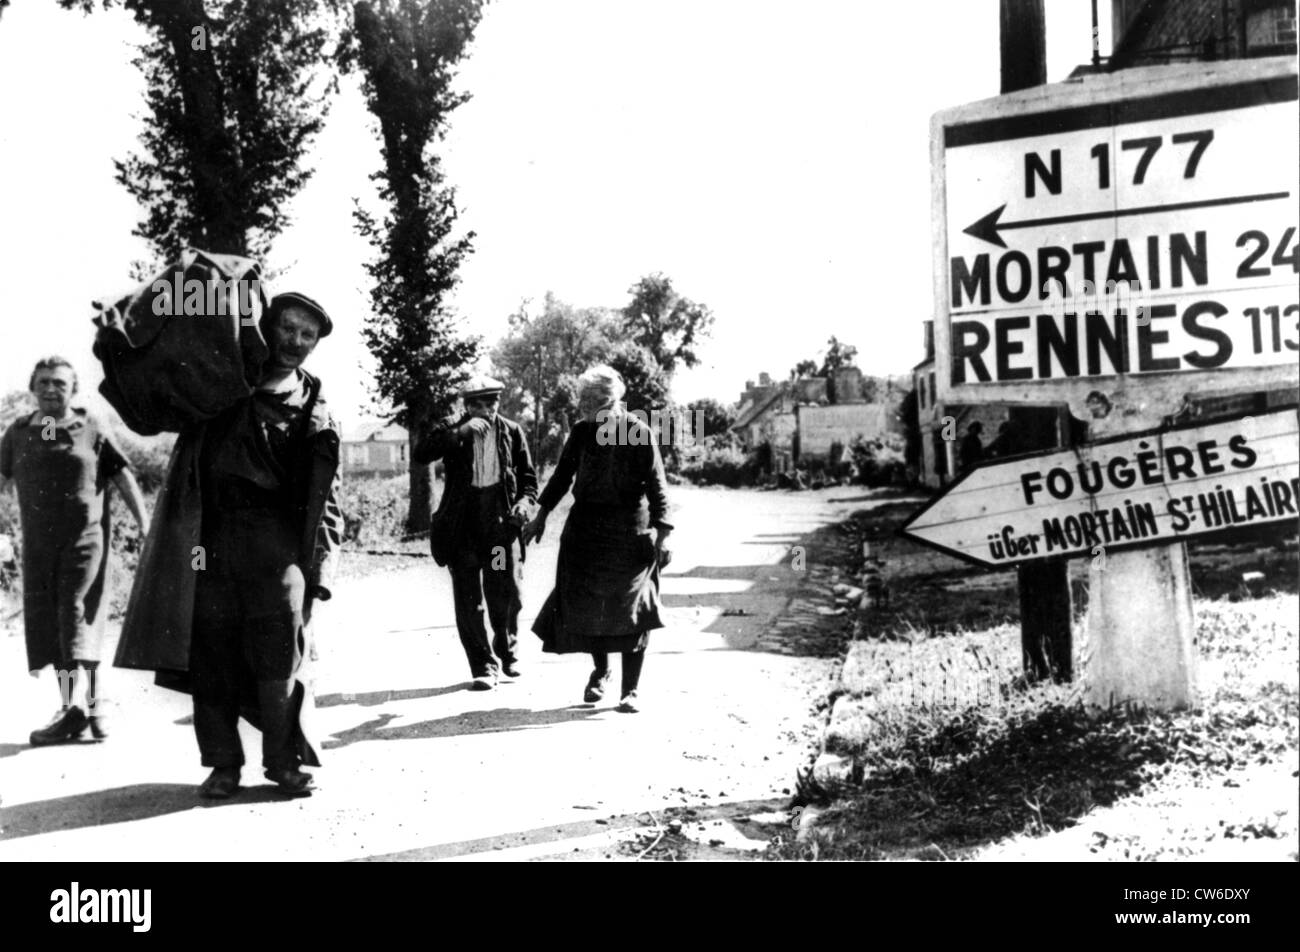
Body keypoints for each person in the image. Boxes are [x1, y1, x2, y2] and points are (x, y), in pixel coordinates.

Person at [113, 292, 344, 799]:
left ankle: (282, 764)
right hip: (209, 541)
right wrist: (121, 338)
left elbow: (326, 501)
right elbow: (158, 399)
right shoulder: (224, 383)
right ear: (268, 327)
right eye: (287, 329)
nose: (295, 342)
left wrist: (319, 575)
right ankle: (222, 765)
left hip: (277, 546)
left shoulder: (316, 408)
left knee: (280, 657)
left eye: (308, 336)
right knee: (210, 655)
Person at [0, 357, 148, 745]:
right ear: (33, 386)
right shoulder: (17, 433)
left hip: (84, 541)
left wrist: (144, 524)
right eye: (44, 382)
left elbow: (121, 475)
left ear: (73, 389)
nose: (51, 389)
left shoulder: (91, 427)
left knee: (76, 613)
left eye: (60, 383)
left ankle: (96, 702)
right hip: (38, 547)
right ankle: (70, 709)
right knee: (52, 623)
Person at [522, 365, 672, 713]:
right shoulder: (582, 431)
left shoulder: (637, 432)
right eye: (585, 399)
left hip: (629, 532)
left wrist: (663, 536)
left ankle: (630, 690)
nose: (588, 406)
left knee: (634, 609)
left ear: (613, 398)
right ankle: (601, 671)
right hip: (586, 530)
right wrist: (541, 514)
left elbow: (657, 487)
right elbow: (561, 477)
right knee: (588, 606)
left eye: (595, 400)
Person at [414, 374, 537, 690]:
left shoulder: (511, 431)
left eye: (491, 403)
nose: (485, 410)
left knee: (502, 589)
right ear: (466, 406)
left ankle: (507, 652)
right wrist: (459, 433)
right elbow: (422, 452)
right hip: (463, 528)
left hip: (497, 527)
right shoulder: (454, 429)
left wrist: (524, 503)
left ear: (498, 402)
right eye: (477, 405)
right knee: (469, 596)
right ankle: (483, 665)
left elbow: (528, 479)